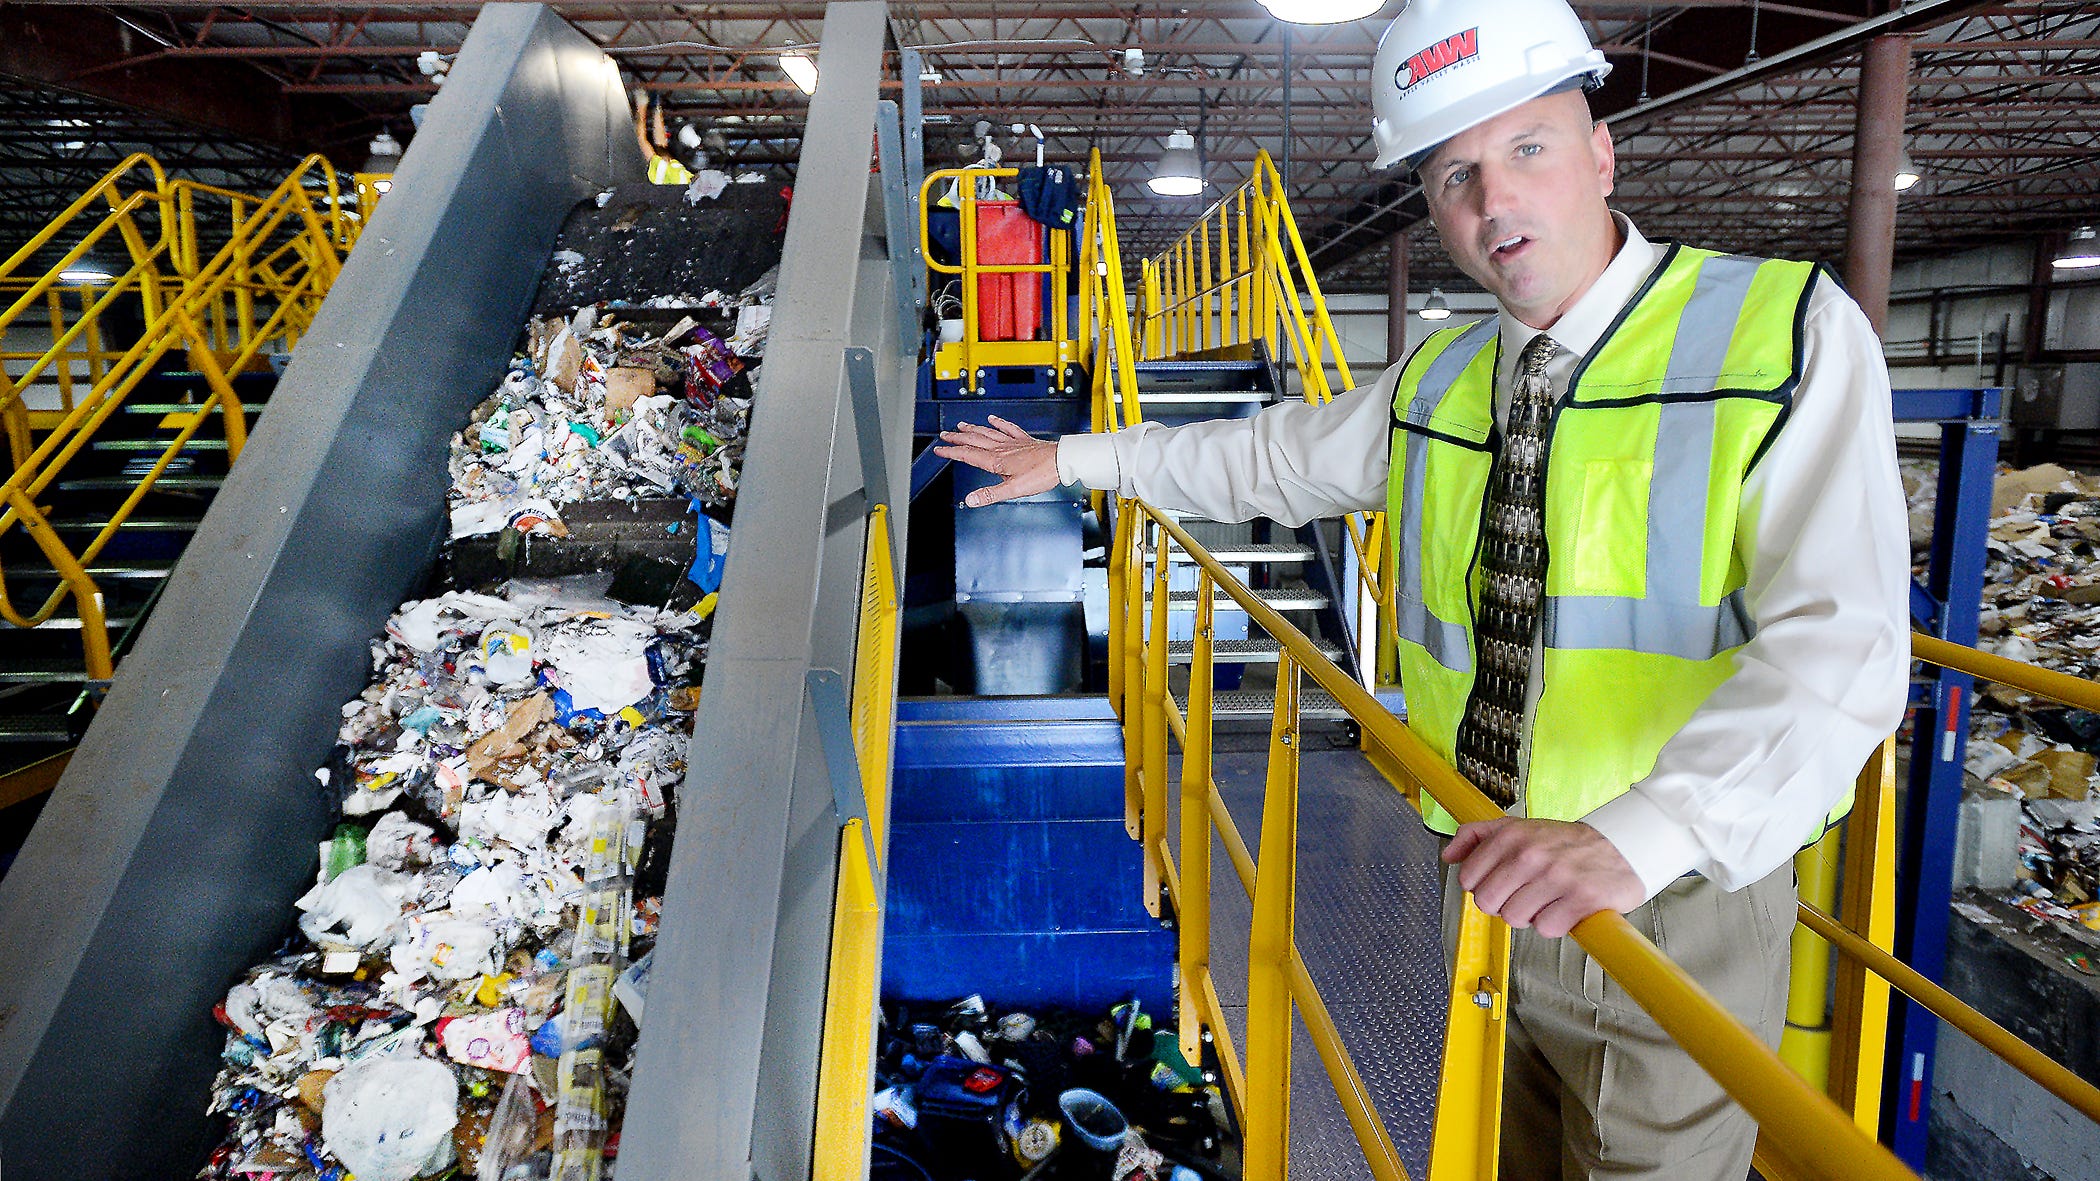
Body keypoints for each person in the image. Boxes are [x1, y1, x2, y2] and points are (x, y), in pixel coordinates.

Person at [931, 0, 1910, 1177]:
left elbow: (1842, 644)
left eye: (1529, 149)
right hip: (1490, 888)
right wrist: (1073, 457)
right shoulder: (1442, 374)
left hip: (1671, 896)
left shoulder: (1780, 332)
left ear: (1600, 151)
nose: (1496, 203)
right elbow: (1271, 456)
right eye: (1455, 176)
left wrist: (1648, 834)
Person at [632, 91, 695, 186]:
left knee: (661, 146)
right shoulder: (661, 173)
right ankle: (642, 104)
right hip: (664, 178)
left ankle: (656, 108)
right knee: (642, 140)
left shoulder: (682, 178)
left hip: (677, 177)